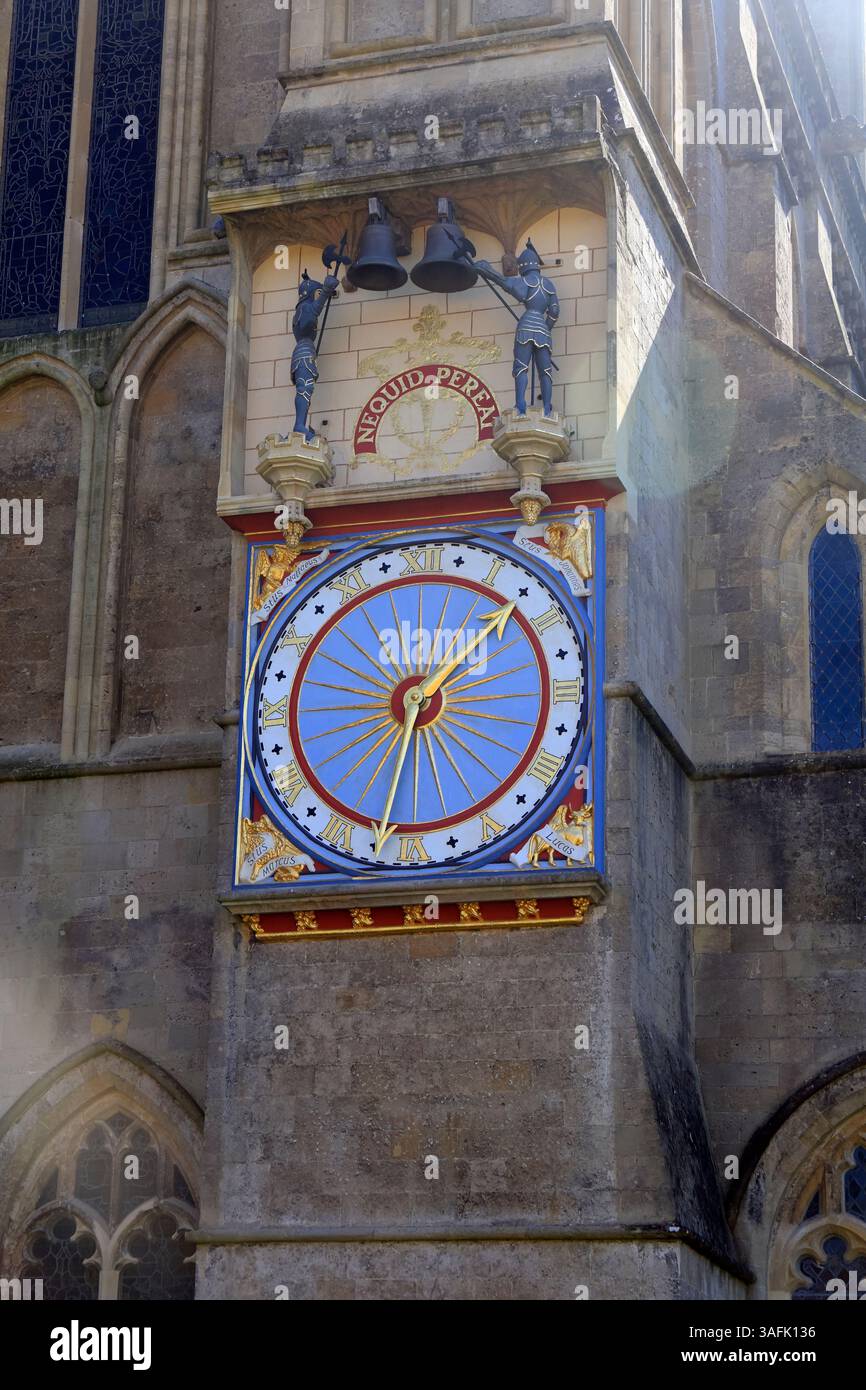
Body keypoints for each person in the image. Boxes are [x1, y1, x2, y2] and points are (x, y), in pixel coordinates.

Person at [467, 240, 559, 416]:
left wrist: (488, 271)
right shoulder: (548, 285)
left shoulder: (525, 281)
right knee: (545, 371)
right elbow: (554, 311)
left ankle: (520, 406)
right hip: (542, 328)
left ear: (523, 266)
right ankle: (547, 408)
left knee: (521, 367)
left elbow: (507, 285)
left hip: (526, 325)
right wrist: (545, 328)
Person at [290, 271, 339, 441]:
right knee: (305, 387)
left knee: (306, 389)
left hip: (305, 350)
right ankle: (299, 425)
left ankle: (301, 423)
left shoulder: (301, 310)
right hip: (305, 352)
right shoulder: (304, 308)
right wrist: (325, 291)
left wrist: (326, 292)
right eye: (316, 294)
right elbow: (313, 313)